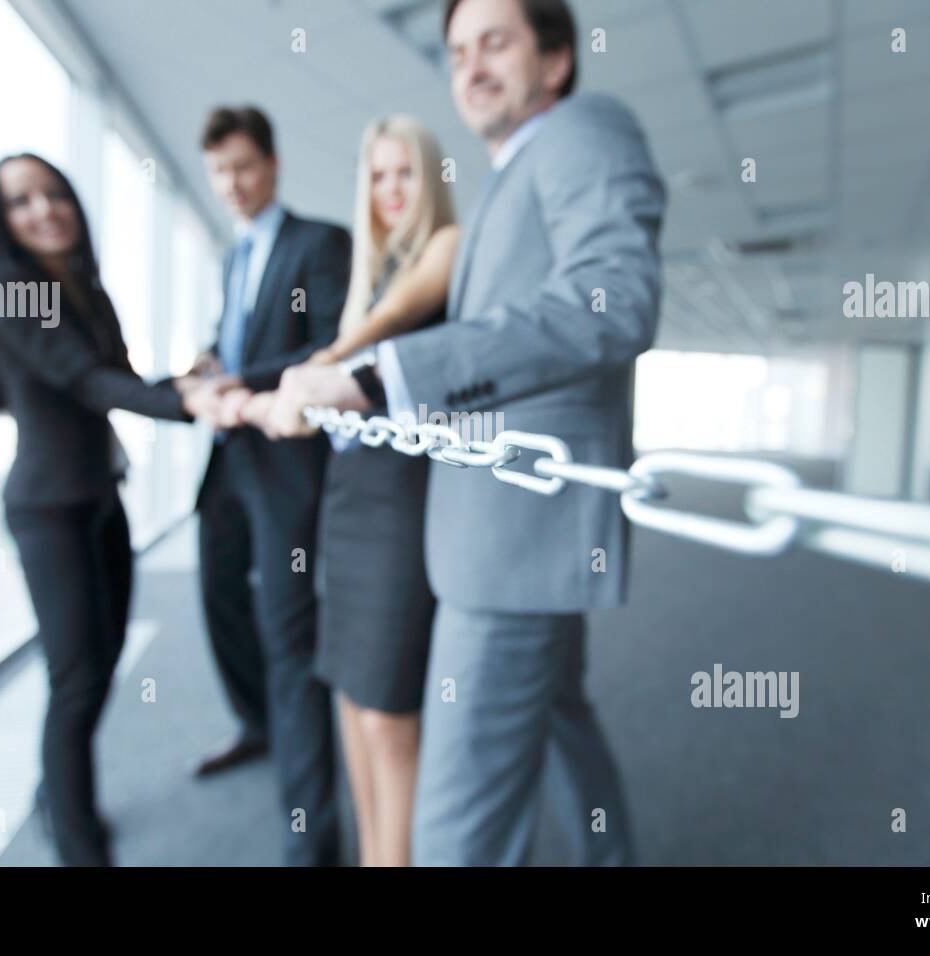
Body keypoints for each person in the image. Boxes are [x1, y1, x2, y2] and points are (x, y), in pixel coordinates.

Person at [250, 0, 666, 866]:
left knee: (454, 834)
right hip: (507, 536)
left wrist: (382, 377)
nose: (470, 65)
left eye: (496, 43)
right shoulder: (509, 180)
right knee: (561, 726)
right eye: (457, 50)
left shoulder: (585, 129)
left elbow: (614, 302)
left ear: (554, 60)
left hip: (508, 548)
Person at [0, 153, 226, 866]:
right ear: (3, 222)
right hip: (47, 511)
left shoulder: (82, 287)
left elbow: (117, 379)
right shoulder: (4, 292)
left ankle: (57, 793)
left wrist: (183, 382)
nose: (43, 209)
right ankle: (76, 841)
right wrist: (184, 404)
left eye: (54, 194)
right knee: (75, 679)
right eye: (21, 202)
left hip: (100, 500)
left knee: (102, 661)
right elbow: (82, 380)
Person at [240, 115, 458, 866]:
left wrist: (312, 373)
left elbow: (382, 336)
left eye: (406, 173)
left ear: (431, 180)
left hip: (404, 496)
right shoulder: (371, 273)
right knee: (349, 699)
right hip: (351, 491)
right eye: (378, 175)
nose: (392, 189)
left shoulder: (442, 252)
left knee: (389, 715)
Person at [187, 107, 351, 866]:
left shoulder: (320, 242)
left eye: (245, 167)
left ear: (274, 165)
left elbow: (326, 345)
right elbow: (239, 341)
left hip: (284, 465)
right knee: (219, 599)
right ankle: (258, 725)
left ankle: (310, 843)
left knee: (290, 640)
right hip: (229, 462)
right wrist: (209, 369)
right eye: (220, 171)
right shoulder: (235, 257)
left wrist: (239, 381)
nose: (233, 184)